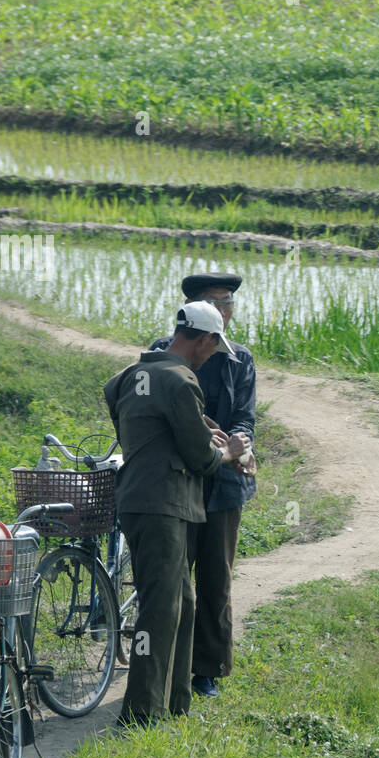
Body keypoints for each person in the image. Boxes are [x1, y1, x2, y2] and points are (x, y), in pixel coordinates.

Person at [103, 301, 244, 727]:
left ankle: (176, 702)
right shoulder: (181, 381)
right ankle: (143, 712)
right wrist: (227, 451)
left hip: (138, 500)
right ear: (203, 340)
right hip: (165, 506)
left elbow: (129, 413)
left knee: (180, 601)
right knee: (160, 610)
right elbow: (201, 459)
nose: (208, 358)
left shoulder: (131, 375)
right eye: (211, 349)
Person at [149, 272, 257, 698]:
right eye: (217, 304)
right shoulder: (163, 353)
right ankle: (169, 665)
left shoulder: (239, 359)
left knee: (216, 575)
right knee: (176, 576)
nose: (226, 313)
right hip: (178, 478)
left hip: (223, 481)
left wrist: (241, 442)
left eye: (229, 304)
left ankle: (207, 669)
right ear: (195, 311)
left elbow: (245, 414)